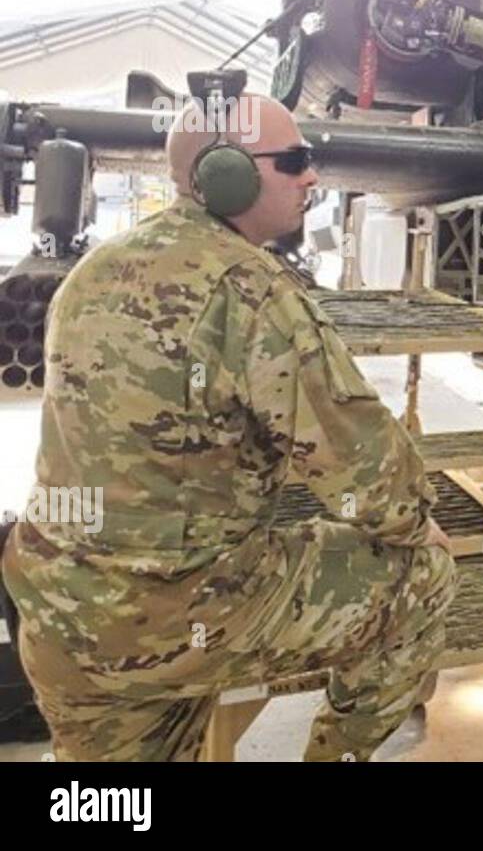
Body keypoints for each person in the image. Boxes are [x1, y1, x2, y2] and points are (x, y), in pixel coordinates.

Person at [1, 94, 454, 761]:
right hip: (178, 617)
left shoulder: (88, 274)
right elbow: (374, 479)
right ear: (227, 177)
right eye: (295, 161)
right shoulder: (251, 288)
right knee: (423, 572)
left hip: (61, 615)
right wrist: (419, 521)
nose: (311, 177)